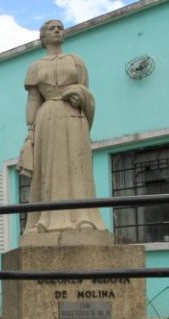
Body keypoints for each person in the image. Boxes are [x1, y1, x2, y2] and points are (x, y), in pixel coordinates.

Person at [17, 19, 107, 234]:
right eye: (51, 28)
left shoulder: (76, 61)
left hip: (74, 115)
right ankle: (44, 220)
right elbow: (33, 100)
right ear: (43, 37)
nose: (57, 30)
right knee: (48, 167)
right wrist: (30, 132)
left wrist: (80, 97)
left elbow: (86, 90)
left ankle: (84, 217)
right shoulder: (35, 66)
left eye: (60, 27)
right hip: (47, 117)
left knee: (77, 164)